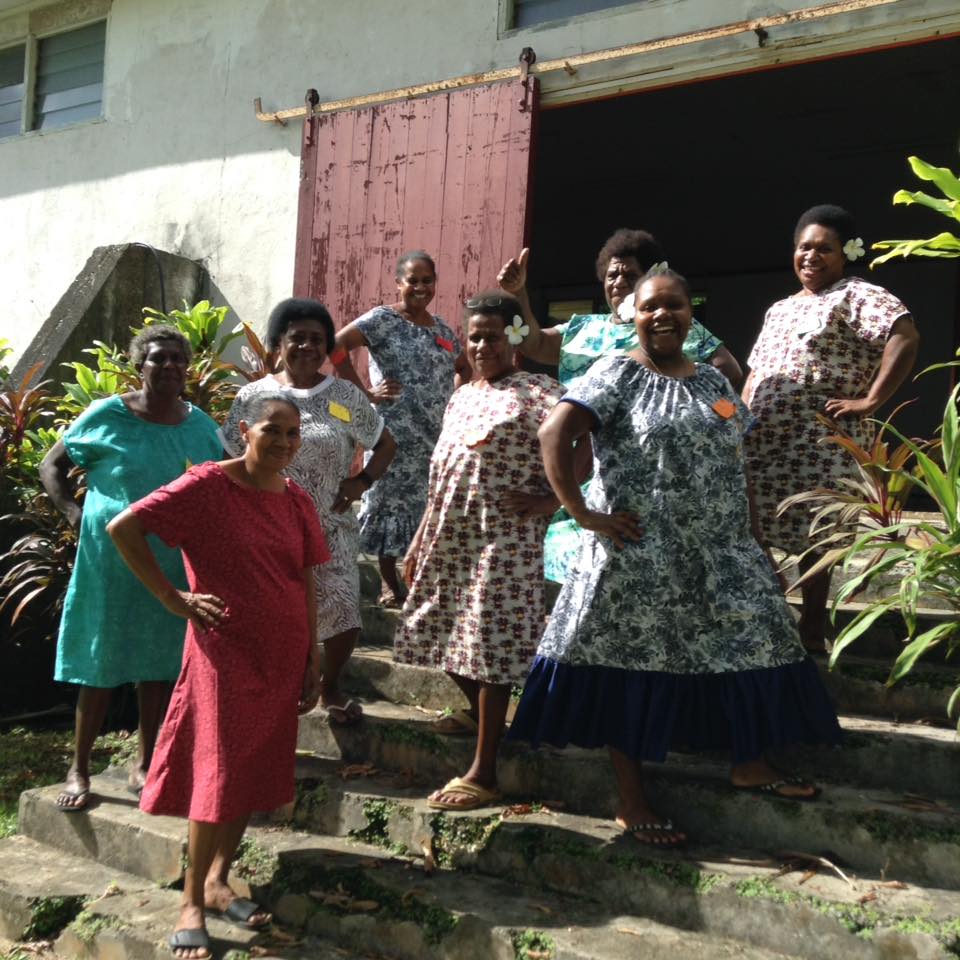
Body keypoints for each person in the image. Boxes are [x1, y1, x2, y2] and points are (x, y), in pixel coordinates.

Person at [509, 269, 842, 846]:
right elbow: (553, 434)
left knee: (755, 640)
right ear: (632, 315)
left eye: (675, 306)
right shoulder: (614, 373)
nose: (663, 316)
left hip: (720, 550)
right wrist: (583, 514)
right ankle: (632, 800)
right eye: (650, 308)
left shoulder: (713, 379)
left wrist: (755, 537)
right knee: (628, 665)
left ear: (693, 313)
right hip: (639, 556)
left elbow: (737, 460)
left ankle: (749, 761)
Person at [108, 391, 329, 959]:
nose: (282, 442)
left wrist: (312, 652)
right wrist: (172, 598)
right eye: (271, 430)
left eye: (292, 433)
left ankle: (217, 881)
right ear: (242, 431)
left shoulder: (296, 500)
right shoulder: (207, 486)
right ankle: (189, 902)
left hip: (281, 654)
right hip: (222, 651)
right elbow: (124, 527)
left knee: (251, 771)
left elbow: (305, 579)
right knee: (218, 775)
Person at [39, 325, 222, 813]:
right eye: (157, 359)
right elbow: (51, 465)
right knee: (99, 661)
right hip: (109, 562)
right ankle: (79, 766)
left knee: (158, 663)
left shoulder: (200, 424)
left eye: (176, 361)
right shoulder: (109, 415)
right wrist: (75, 515)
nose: (168, 368)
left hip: (169, 562)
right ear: (139, 365)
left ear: (188, 369)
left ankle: (146, 762)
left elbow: (219, 481)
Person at [497, 229, 742, 583]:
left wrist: (684, 402)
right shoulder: (583, 328)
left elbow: (726, 370)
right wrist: (519, 293)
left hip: (645, 463)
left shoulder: (666, 325)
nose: (619, 282)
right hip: (577, 462)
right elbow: (534, 344)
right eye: (612, 275)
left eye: (630, 275)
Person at [397, 293, 564, 810]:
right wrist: (421, 531)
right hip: (449, 534)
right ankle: (483, 716)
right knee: (434, 627)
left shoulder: (541, 391)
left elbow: (583, 451)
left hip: (504, 537)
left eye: (492, 335)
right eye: (473, 336)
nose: (481, 345)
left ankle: (484, 770)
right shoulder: (461, 394)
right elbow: (442, 467)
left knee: (489, 645)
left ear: (514, 337)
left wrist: (550, 500)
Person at [742, 205, 920, 652]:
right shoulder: (779, 309)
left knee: (819, 534)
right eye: (804, 247)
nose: (811, 256)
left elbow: (904, 336)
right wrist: (736, 420)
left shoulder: (856, 294)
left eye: (824, 248)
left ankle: (812, 627)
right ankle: (774, 610)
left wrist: (872, 399)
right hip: (762, 444)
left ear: (845, 254)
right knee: (749, 525)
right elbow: (756, 372)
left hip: (820, 443)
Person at [222, 298, 396, 725]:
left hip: (330, 526)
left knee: (344, 613)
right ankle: (276, 688)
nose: (306, 346)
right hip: (267, 526)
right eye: (296, 337)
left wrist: (362, 482)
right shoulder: (254, 395)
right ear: (278, 343)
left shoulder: (344, 395)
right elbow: (228, 453)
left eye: (317, 339)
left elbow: (385, 443)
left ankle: (329, 685)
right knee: (271, 612)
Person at [332, 251, 470, 607]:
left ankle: (418, 582)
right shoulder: (382, 320)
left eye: (427, 280)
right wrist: (363, 393)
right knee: (389, 506)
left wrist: (452, 403)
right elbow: (336, 346)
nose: (421, 287)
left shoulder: (441, 329)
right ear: (399, 283)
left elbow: (464, 368)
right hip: (394, 436)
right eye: (413, 280)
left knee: (424, 508)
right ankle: (390, 583)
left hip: (434, 439)